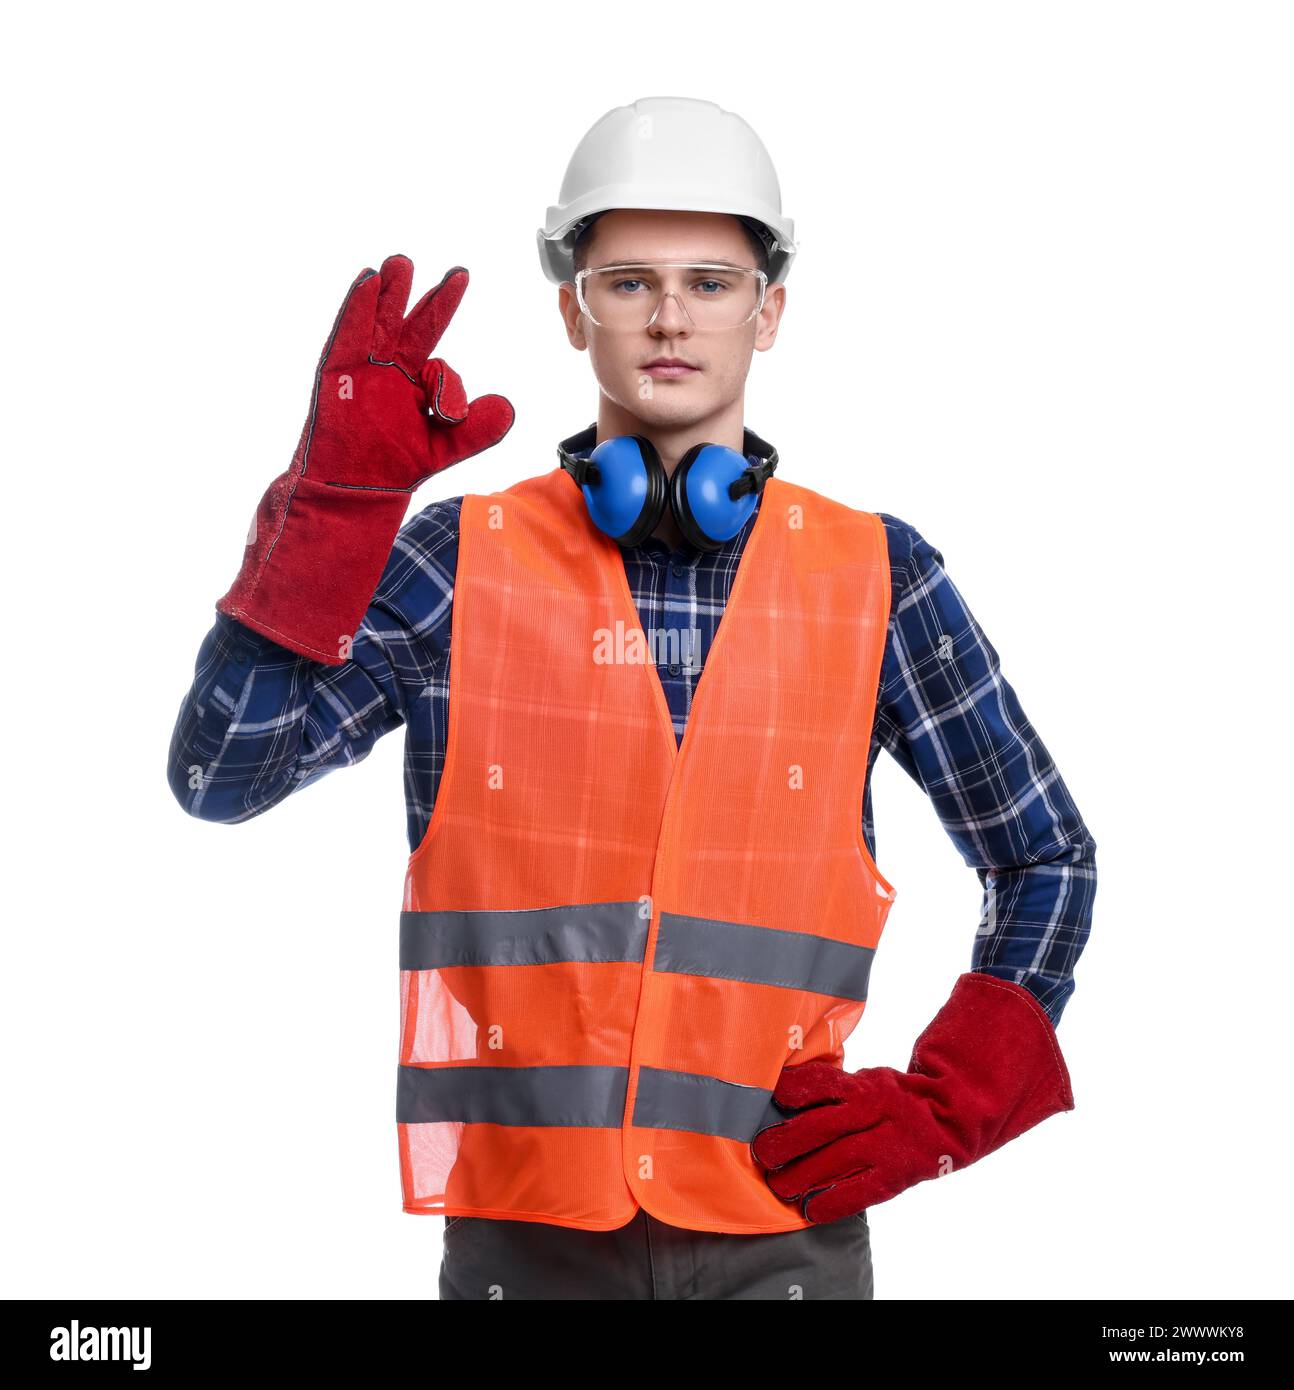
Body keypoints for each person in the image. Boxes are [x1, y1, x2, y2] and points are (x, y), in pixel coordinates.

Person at [168, 96, 1096, 1300]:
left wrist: (947, 1102)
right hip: (524, 1243)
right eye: (627, 282)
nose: (669, 317)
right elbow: (218, 776)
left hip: (786, 1229)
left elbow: (1046, 858)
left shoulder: (878, 576)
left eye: (712, 282)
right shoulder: (459, 561)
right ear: (571, 307)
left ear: (769, 313)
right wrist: (332, 510)